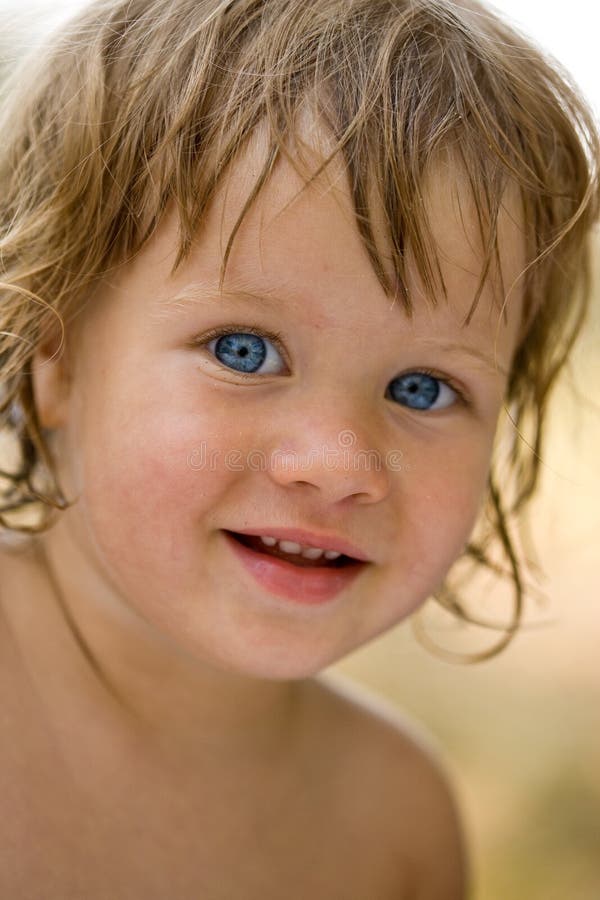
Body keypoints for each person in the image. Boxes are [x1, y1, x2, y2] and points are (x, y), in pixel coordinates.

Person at [0, 0, 597, 896]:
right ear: (57, 358)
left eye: (422, 389)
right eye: (245, 352)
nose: (341, 462)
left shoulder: (397, 824)